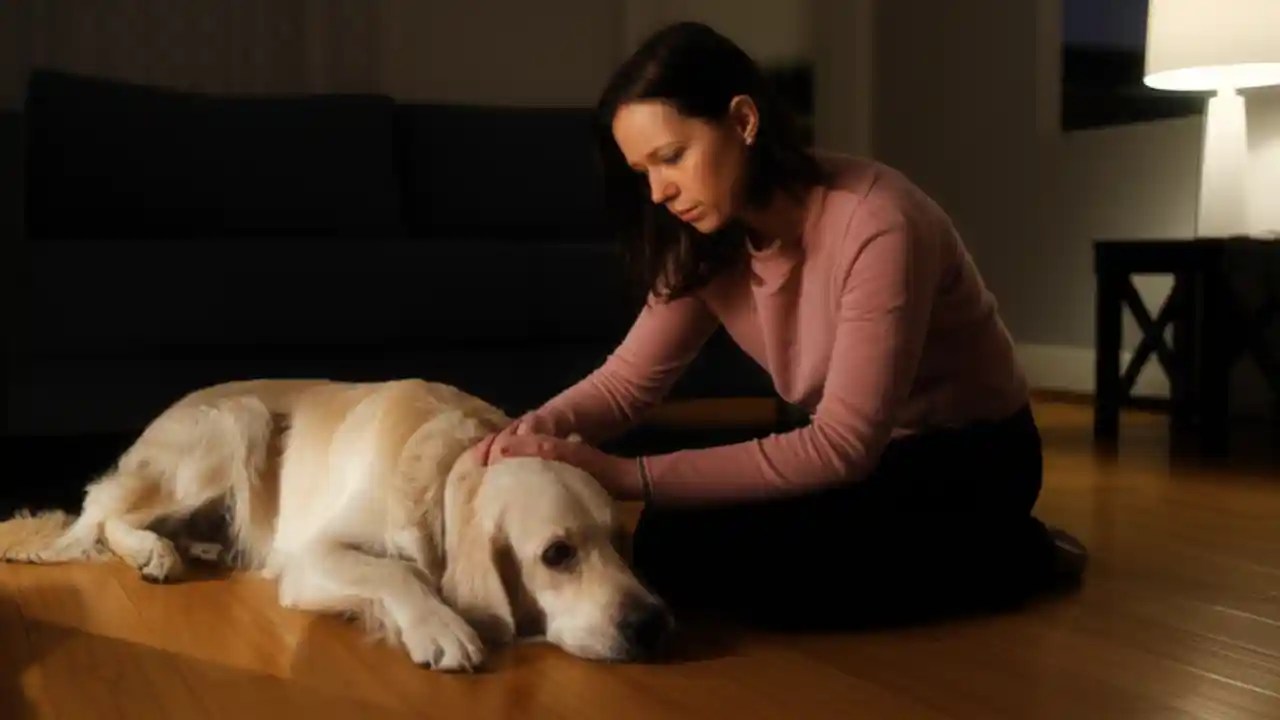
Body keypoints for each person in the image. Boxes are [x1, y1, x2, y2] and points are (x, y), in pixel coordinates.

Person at [473, 21, 1086, 629]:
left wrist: (625, 474)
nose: (658, 191)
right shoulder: (704, 237)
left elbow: (842, 446)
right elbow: (627, 383)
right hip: (870, 458)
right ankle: (950, 555)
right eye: (644, 172)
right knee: (666, 544)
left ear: (743, 121)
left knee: (760, 573)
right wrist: (525, 434)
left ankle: (1018, 552)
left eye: (672, 157)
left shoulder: (878, 222)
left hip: (972, 454)